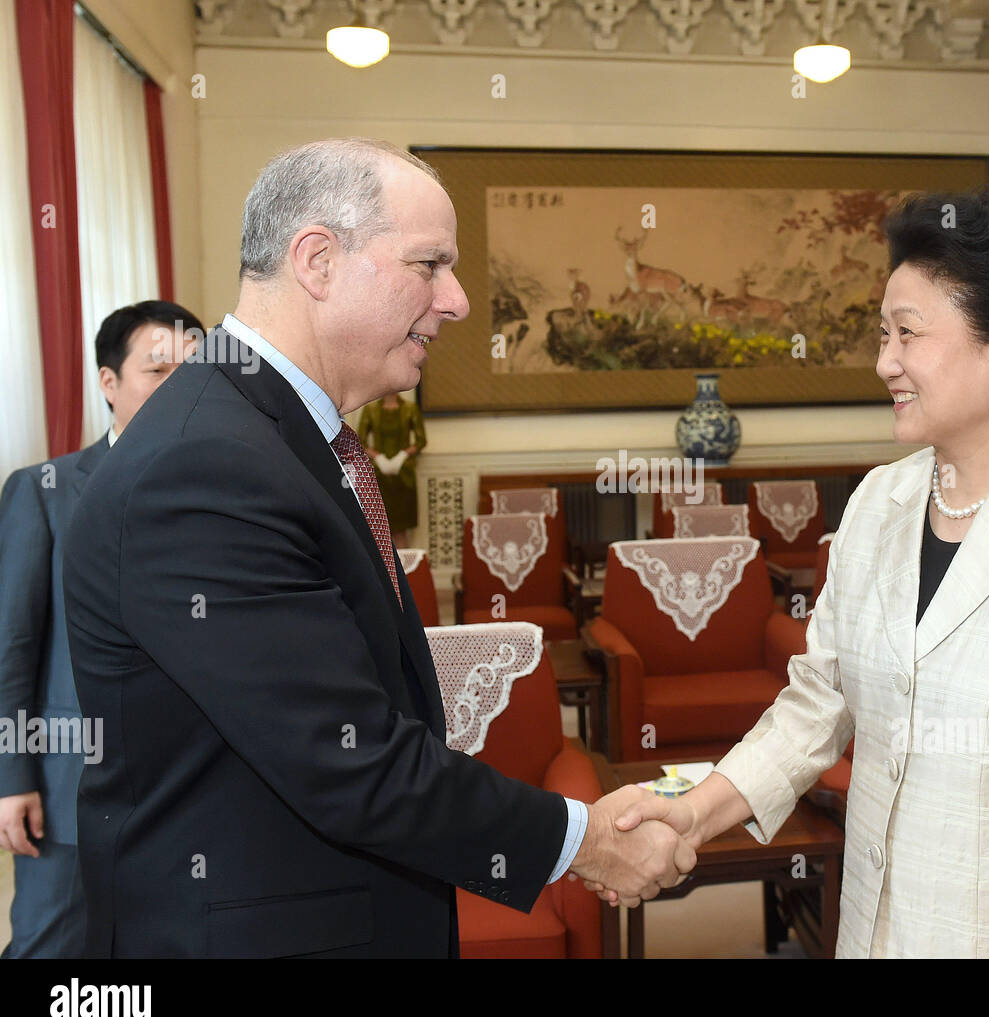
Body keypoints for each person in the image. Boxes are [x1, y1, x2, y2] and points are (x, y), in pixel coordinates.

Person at [62, 139, 693, 958]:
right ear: (318, 261)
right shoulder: (207, 464)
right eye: (429, 264)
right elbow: (346, 760)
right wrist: (584, 839)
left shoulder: (265, 434)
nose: (459, 301)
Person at [589, 186, 989, 959]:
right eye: (883, 334)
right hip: (877, 932)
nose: (885, 362)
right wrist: (695, 811)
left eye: (908, 334)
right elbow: (817, 706)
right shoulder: (882, 503)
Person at [0, 300, 202, 957]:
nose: (182, 387)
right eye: (159, 369)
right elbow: (11, 647)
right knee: (50, 949)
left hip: (188, 788)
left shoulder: (223, 494)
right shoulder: (45, 491)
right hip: (68, 789)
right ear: (109, 383)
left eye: (195, 371)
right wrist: (11, 778)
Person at [357, 392, 425, 546]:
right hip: (379, 475)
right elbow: (360, 440)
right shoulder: (371, 409)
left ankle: (406, 568)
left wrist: (402, 455)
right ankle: (385, 569)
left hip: (404, 475)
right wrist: (378, 458)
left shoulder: (410, 408)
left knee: (401, 529)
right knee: (380, 528)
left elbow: (421, 440)